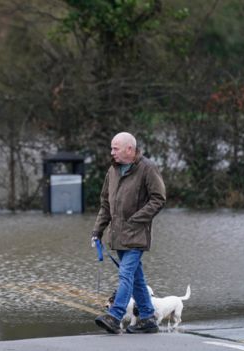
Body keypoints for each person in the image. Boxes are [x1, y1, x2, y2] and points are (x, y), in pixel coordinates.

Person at [91, 132, 166, 334]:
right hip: (118, 236)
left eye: (115, 148)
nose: (112, 152)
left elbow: (159, 199)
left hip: (136, 235)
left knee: (125, 275)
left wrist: (137, 219)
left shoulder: (147, 168)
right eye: (112, 148)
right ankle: (148, 318)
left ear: (129, 149)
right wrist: (97, 231)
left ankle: (115, 316)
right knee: (136, 277)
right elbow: (105, 204)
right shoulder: (112, 171)